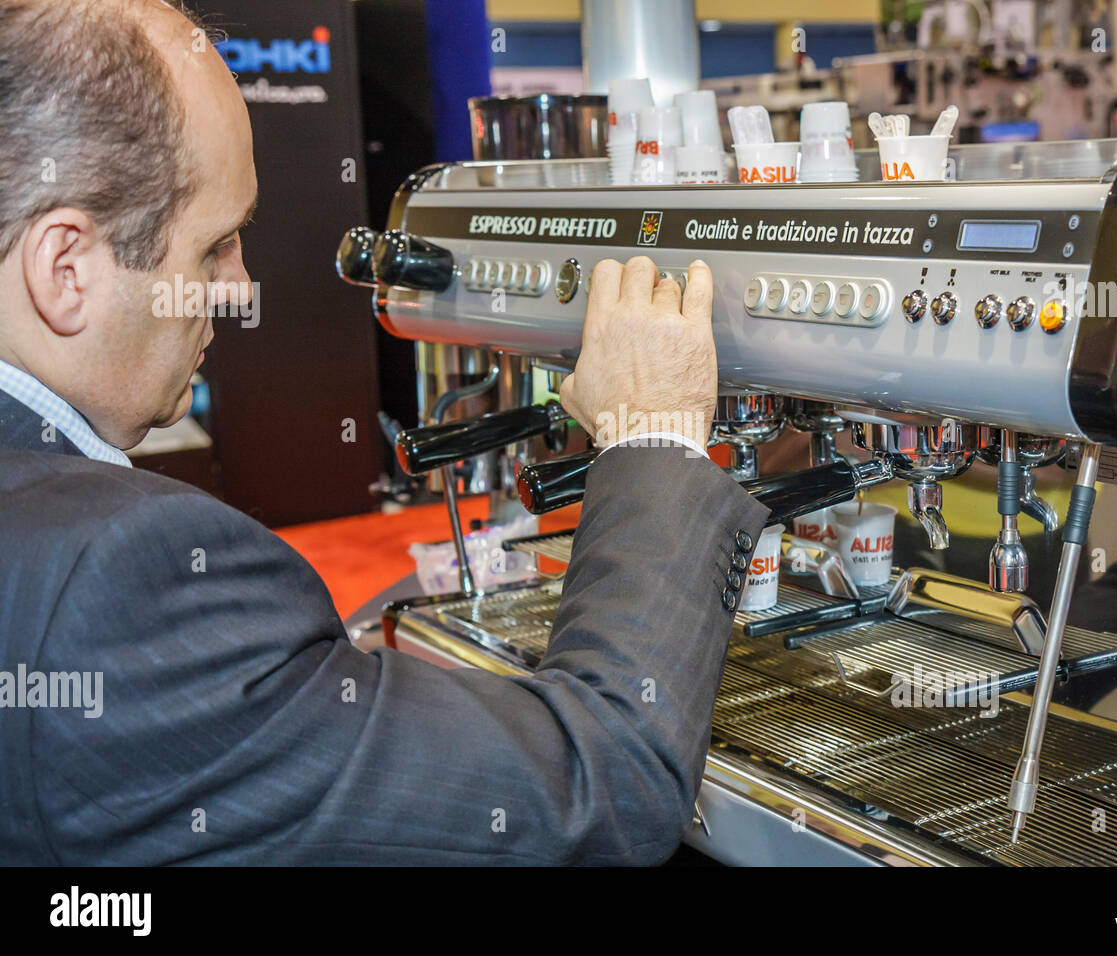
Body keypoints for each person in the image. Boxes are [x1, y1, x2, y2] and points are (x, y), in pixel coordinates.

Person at [0, 0, 768, 864]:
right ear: (66, 270)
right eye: (214, 247)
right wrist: (653, 435)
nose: (239, 290)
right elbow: (603, 781)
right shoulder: (121, 577)